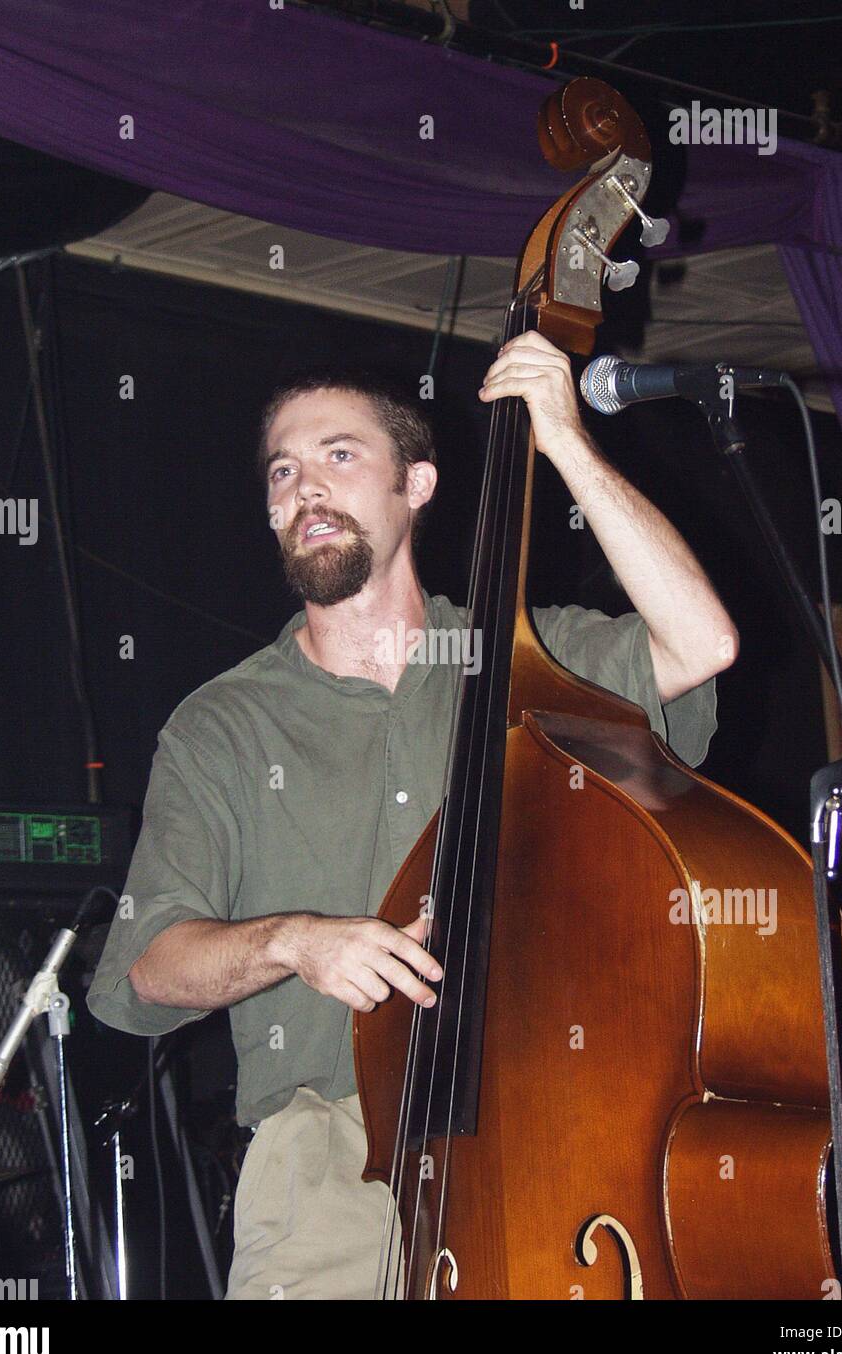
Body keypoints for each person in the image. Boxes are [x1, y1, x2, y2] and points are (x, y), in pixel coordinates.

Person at [87, 330, 738, 1300]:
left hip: (546, 1125)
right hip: (327, 1151)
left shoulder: (532, 662)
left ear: (417, 485)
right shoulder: (220, 724)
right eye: (282, 470)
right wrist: (295, 941)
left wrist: (564, 441)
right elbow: (147, 969)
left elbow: (703, 640)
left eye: (338, 456)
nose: (303, 488)